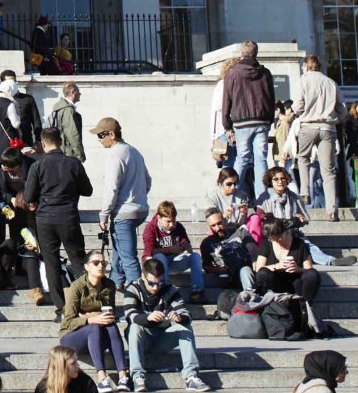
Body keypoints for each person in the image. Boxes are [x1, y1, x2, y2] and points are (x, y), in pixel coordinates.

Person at [21, 131, 92, 307]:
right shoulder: (73, 163)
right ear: (60, 142)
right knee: (78, 260)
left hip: (45, 219)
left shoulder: (38, 166)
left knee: (51, 263)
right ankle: (86, 301)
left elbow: (28, 196)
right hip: (68, 217)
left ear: (43, 145)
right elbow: (87, 190)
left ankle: (60, 306)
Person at [124, 257, 210, 392]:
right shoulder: (133, 289)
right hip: (141, 338)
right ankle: (137, 377)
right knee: (134, 328)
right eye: (151, 283)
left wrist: (179, 317)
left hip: (163, 338)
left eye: (160, 283)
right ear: (143, 276)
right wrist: (148, 318)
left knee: (185, 328)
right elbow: (130, 315)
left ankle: (191, 376)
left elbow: (186, 315)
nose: (156, 287)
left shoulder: (170, 290)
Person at [59, 249, 131, 391]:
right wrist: (90, 319)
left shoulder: (109, 285)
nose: (101, 266)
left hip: (96, 336)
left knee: (110, 324)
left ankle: (123, 375)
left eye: (103, 263)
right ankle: (102, 377)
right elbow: (68, 322)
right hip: (71, 337)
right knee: (95, 326)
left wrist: (92, 317)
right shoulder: (77, 286)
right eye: (96, 263)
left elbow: (110, 313)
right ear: (86, 266)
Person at [91, 118, 151, 289]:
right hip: (139, 209)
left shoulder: (114, 155)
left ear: (112, 134)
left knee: (128, 257)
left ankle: (138, 294)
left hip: (124, 212)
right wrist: (138, 196)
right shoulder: (134, 151)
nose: (99, 139)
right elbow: (148, 181)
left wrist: (104, 214)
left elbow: (111, 188)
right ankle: (115, 282)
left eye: (101, 135)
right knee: (118, 249)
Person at [217, 40, 278, 202]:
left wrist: (227, 124)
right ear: (255, 53)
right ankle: (263, 198)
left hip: (241, 120)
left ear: (240, 53)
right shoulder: (265, 73)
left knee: (242, 158)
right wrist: (269, 119)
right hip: (262, 120)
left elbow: (227, 100)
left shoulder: (232, 73)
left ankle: (231, 195)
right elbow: (271, 99)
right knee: (261, 159)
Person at [289, 53, 342, 218]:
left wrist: (302, 112)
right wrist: (335, 119)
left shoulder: (302, 81)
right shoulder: (331, 83)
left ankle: (305, 190)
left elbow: (298, 107)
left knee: (303, 158)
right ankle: (332, 209)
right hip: (328, 127)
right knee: (328, 170)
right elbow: (343, 108)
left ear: (306, 66)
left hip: (308, 125)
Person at [139, 201, 205, 302]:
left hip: (174, 262)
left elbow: (187, 247)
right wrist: (169, 250)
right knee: (160, 256)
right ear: (159, 218)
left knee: (195, 256)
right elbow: (149, 253)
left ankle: (197, 291)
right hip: (158, 267)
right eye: (168, 221)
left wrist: (186, 247)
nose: (172, 224)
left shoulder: (178, 227)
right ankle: (167, 290)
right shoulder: (150, 229)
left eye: (173, 221)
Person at [50, 82, 85, 161]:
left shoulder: (61, 108)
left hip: (62, 152)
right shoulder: (68, 110)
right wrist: (80, 155)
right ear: (73, 93)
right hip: (69, 154)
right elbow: (72, 134)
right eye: (78, 91)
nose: (80, 93)